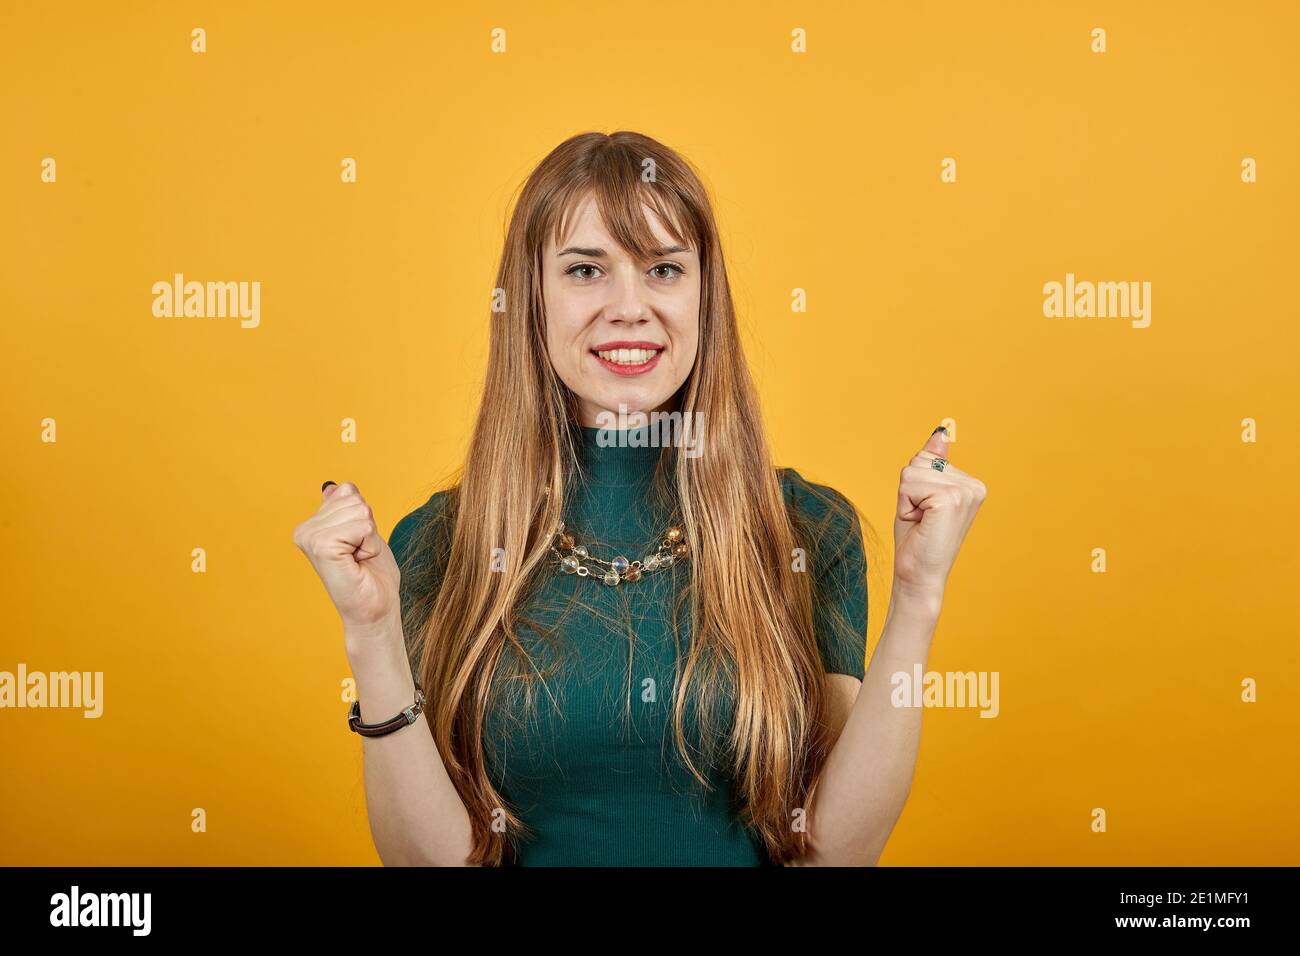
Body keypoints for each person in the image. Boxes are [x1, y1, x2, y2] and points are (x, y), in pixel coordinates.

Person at [292, 130, 987, 866]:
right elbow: (427, 864)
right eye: (586, 269)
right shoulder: (437, 543)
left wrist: (919, 596)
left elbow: (834, 855)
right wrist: (371, 635)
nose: (629, 307)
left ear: (703, 296)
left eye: (663, 269)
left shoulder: (808, 529)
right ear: (530, 299)